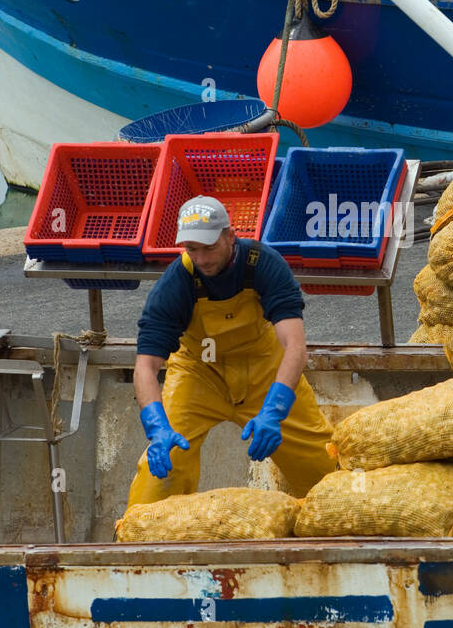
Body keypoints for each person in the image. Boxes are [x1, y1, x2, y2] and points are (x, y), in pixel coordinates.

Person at [126, 196, 335, 507]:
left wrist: (275, 410)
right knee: (162, 472)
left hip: (264, 373)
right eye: (192, 249)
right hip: (199, 375)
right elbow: (145, 367)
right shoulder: (176, 282)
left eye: (209, 247)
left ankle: (348, 532)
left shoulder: (265, 264)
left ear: (230, 235)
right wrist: (157, 427)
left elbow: (295, 347)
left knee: (322, 468)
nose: (202, 258)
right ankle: (137, 548)